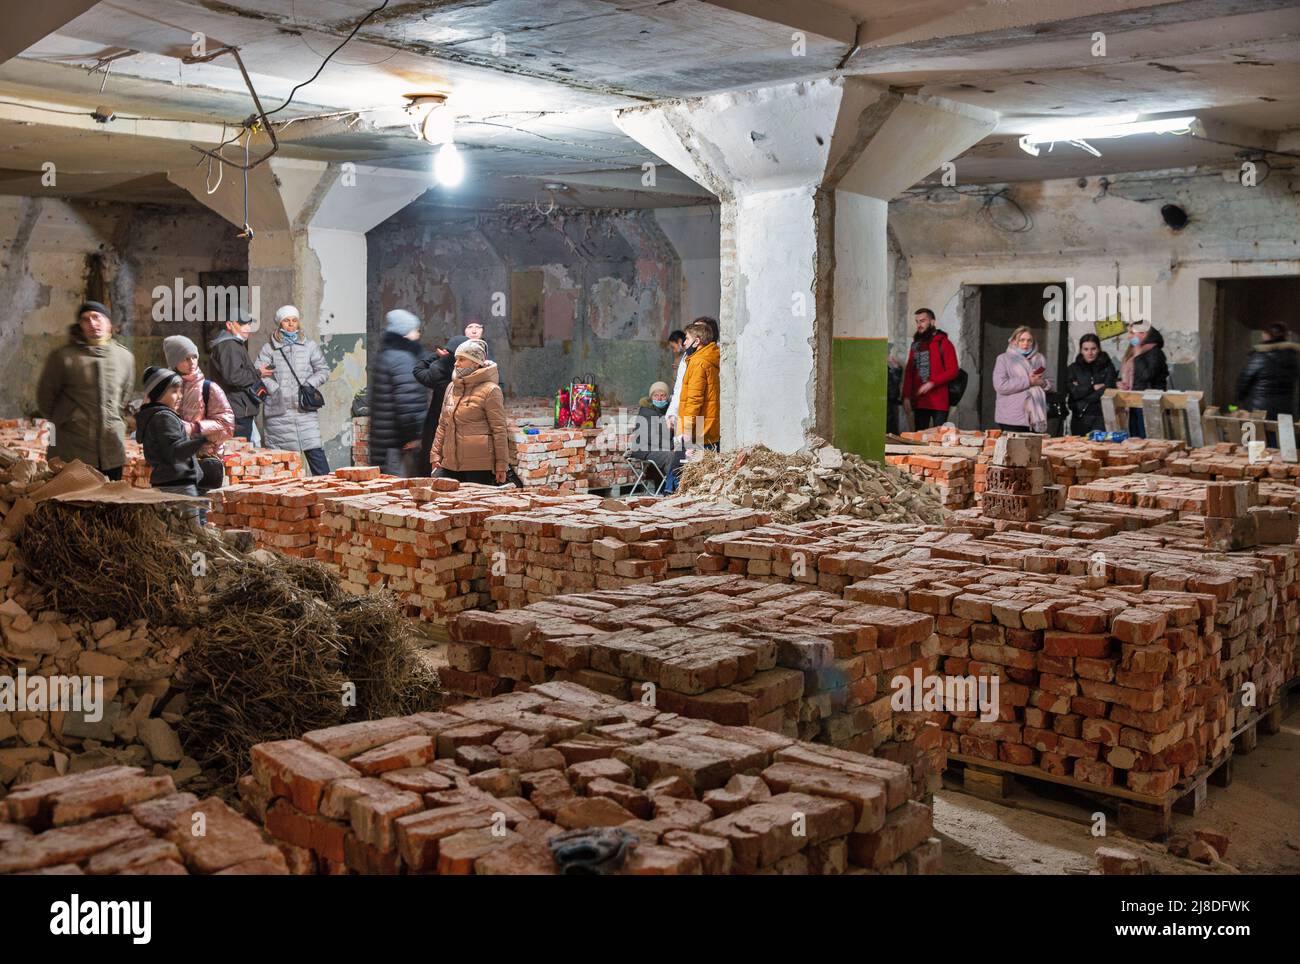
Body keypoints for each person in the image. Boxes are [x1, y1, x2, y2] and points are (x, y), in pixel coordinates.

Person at [36, 301, 136, 480]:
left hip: (112, 449)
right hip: (72, 448)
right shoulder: (64, 357)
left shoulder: (124, 357)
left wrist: (112, 420)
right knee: (75, 505)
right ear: (80, 326)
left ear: (109, 323)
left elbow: (123, 398)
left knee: (111, 502)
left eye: (97, 317)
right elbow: (45, 399)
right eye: (85, 320)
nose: (92, 323)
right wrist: (70, 418)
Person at [256, 305, 330, 475]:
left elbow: (323, 370)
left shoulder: (309, 346)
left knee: (317, 459)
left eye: (294, 320)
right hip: (279, 413)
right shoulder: (269, 349)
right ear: (280, 323)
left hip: (305, 411)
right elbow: (260, 372)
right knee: (284, 467)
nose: (291, 324)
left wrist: (309, 384)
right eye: (287, 320)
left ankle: (328, 497)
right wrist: (276, 389)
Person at [164, 335, 234, 504]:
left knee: (201, 514)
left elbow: (227, 426)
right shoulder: (165, 389)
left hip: (204, 463)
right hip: (174, 465)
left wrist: (195, 428)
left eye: (194, 357)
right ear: (174, 362)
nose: (192, 362)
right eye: (185, 358)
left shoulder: (209, 388)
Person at [430, 339, 509, 485]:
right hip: (450, 463)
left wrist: (501, 466)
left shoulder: (490, 390)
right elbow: (442, 425)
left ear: (475, 362)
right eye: (456, 359)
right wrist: (435, 455)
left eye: (461, 359)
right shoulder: (451, 387)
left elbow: (499, 431)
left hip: (479, 466)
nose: (456, 363)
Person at [136, 366, 208, 524]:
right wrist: (201, 440)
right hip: (179, 487)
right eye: (174, 391)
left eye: (181, 390)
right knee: (191, 537)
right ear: (159, 393)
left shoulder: (153, 416)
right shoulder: (164, 418)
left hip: (166, 483)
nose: (180, 396)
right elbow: (174, 452)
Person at [370, 309, 429, 477]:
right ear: (405, 332)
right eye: (416, 330)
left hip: (383, 443)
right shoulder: (403, 359)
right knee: (400, 493)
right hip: (398, 446)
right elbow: (409, 403)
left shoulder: (385, 355)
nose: (418, 334)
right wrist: (417, 435)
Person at [207, 311, 266, 441]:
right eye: (242, 324)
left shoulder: (232, 343)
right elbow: (233, 377)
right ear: (229, 324)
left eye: (249, 324)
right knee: (239, 451)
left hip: (238, 407)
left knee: (250, 445)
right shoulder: (229, 345)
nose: (248, 328)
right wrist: (258, 373)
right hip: (236, 409)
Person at [414, 334, 466, 475]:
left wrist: (436, 356)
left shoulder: (439, 370)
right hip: (463, 424)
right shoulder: (472, 372)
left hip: (438, 420)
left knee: (434, 461)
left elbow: (418, 370)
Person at [901, 308, 959, 430]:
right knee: (919, 439)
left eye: (922, 321)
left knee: (937, 439)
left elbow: (953, 370)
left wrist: (932, 383)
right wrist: (906, 396)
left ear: (932, 322)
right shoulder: (915, 344)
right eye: (917, 322)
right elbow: (909, 372)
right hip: (919, 401)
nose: (919, 325)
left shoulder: (944, 343)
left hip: (939, 402)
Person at [993, 326, 1053, 432]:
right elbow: (1000, 385)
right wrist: (1028, 381)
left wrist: (1042, 383)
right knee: (1014, 448)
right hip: (1011, 416)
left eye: (1029, 340)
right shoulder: (1004, 359)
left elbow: (1051, 383)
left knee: (1033, 448)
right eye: (1022, 340)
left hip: (1035, 416)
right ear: (1014, 341)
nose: (1025, 343)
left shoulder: (1039, 358)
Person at [1236, 323, 1298, 419]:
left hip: (1258, 412)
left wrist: (1240, 402)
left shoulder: (1260, 356)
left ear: (1267, 335)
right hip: (1285, 413)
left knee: (1257, 433)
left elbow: (1243, 383)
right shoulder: (1292, 358)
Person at [1119, 323, 1169, 437]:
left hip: (1147, 404)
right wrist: (1119, 382)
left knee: (1146, 438)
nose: (1129, 337)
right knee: (1135, 438)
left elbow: (1146, 375)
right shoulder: (1134, 351)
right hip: (1134, 401)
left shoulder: (1155, 352)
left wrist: (1138, 354)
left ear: (1143, 334)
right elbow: (1131, 374)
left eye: (1132, 333)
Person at [629, 380, 679, 493]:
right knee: (671, 456)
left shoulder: (669, 412)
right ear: (651, 397)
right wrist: (672, 445)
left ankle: (671, 487)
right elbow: (651, 437)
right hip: (645, 449)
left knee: (682, 453)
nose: (659, 398)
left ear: (667, 397)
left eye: (663, 395)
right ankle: (672, 488)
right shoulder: (646, 411)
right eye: (656, 395)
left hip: (660, 448)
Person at [678, 319, 720, 449]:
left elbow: (694, 399)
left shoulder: (698, 363)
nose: (684, 343)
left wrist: (687, 430)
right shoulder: (709, 357)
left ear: (697, 342)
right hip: (708, 428)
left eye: (687, 339)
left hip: (699, 431)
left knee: (679, 468)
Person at [1065, 333, 1118, 435]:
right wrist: (1093, 387)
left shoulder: (1107, 367)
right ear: (1081, 350)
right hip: (1079, 416)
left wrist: (1083, 394)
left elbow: (1108, 389)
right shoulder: (1073, 368)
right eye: (1086, 349)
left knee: (1098, 446)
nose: (1090, 353)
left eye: (1093, 349)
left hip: (1101, 416)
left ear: (1098, 349)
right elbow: (1073, 391)